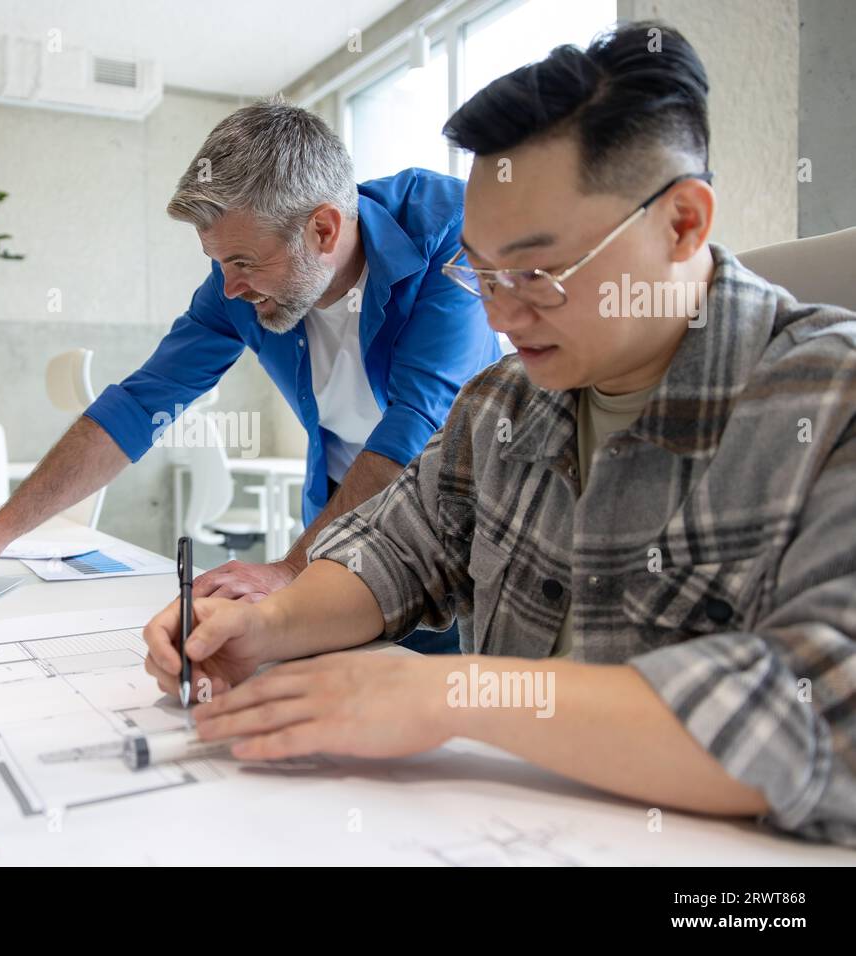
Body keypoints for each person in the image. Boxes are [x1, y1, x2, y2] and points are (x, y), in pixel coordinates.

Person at [142, 22, 856, 845]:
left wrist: (454, 695)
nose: (498, 314)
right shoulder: (504, 404)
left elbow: (824, 715)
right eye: (478, 272)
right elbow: (395, 550)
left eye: (536, 273)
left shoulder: (825, 404)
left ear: (684, 224)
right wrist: (267, 627)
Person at [0, 101, 500, 611]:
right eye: (216, 261)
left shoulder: (450, 231)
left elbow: (415, 429)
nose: (228, 287)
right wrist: (0, 528)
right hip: (342, 530)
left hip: (464, 527)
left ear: (324, 230)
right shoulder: (233, 289)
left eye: (243, 262)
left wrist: (289, 566)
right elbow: (140, 403)